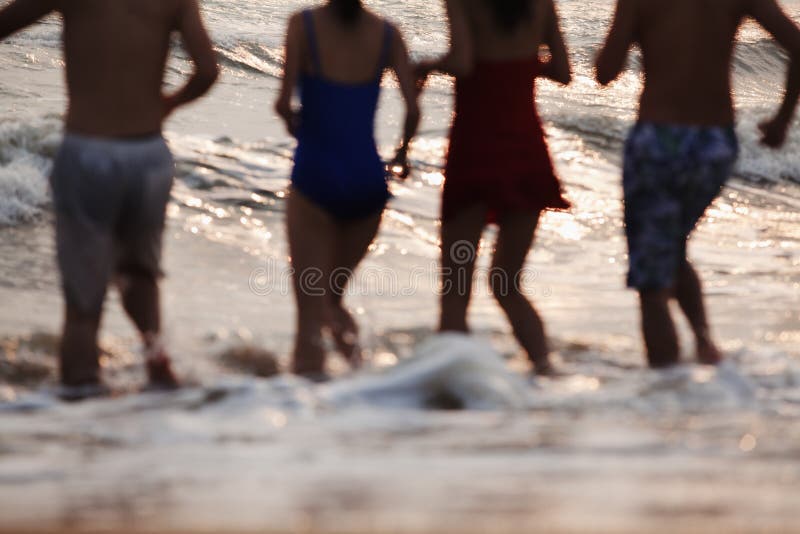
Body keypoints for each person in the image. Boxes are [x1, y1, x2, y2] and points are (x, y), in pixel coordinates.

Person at [0, 0, 219, 399]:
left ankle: (84, 411)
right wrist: (168, 103)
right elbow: (207, 71)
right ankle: (157, 374)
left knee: (84, 304)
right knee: (142, 274)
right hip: (149, 156)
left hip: (89, 152)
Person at [596, 0, 800, 368]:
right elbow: (796, 44)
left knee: (652, 283)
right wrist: (783, 119)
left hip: (658, 143)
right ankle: (705, 345)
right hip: (714, 144)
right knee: (670, 245)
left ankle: (667, 391)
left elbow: (606, 71)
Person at [415, 0, 572, 375]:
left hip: (476, 148)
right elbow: (564, 71)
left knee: (455, 289)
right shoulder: (541, 6)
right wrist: (524, 64)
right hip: (525, 149)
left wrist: (426, 66)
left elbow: (463, 62)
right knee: (507, 283)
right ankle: (545, 371)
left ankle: (450, 391)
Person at [274, 0, 419, 379]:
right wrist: (402, 152)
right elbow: (414, 107)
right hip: (367, 180)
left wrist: (298, 127)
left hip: (316, 172)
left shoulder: (302, 25)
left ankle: (309, 405)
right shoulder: (388, 33)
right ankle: (360, 382)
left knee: (310, 313)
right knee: (331, 299)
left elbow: (281, 103)